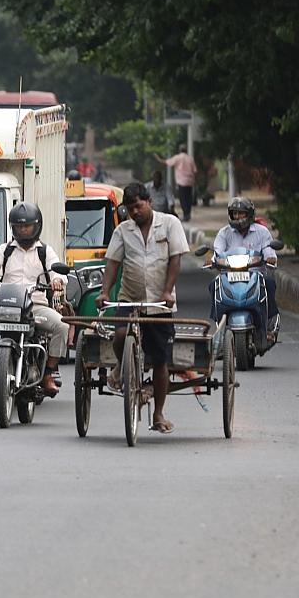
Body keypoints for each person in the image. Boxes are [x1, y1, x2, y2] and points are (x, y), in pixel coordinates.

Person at [98, 182, 189, 434]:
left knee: (160, 360)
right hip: (129, 298)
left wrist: (167, 291)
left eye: (138, 206)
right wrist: (105, 292)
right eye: (130, 209)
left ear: (149, 201)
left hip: (159, 303)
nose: (135, 212)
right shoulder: (122, 230)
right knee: (119, 335)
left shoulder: (170, 224)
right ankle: (121, 366)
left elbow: (175, 259)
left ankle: (158, 413)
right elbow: (113, 263)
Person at [0, 202, 68, 396]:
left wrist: (57, 280)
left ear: (37, 226)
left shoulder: (45, 251)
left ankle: (48, 373)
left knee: (62, 326)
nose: (23, 230)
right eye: (18, 226)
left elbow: (56, 270)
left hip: (35, 306)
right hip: (6, 305)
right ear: (12, 227)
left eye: (27, 226)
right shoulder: (4, 250)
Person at [212, 196, 280, 342]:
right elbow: (217, 252)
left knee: (269, 284)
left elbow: (269, 251)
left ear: (249, 214)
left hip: (255, 275)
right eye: (235, 213)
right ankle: (219, 325)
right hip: (229, 275)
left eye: (241, 213)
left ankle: (269, 326)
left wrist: (270, 258)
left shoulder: (262, 232)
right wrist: (213, 261)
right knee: (214, 285)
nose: (238, 217)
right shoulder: (224, 233)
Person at [155, 144, 197, 221]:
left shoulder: (177, 158)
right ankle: (188, 214)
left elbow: (167, 162)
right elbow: (195, 170)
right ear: (186, 150)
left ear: (179, 150)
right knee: (188, 198)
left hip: (181, 181)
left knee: (183, 198)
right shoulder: (190, 159)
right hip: (189, 182)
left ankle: (185, 214)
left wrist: (158, 159)